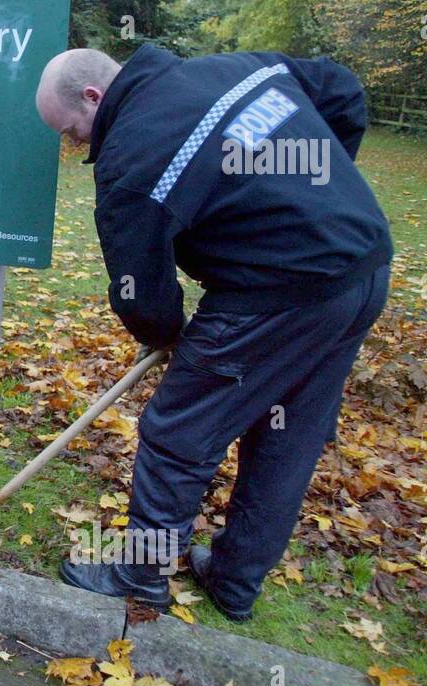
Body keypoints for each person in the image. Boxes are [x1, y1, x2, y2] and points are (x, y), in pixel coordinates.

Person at [35, 45, 393, 621]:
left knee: (178, 432)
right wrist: (316, 196)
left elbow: (140, 294)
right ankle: (234, 580)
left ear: (94, 97)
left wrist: (169, 336)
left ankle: (141, 575)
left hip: (273, 297)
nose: (76, 146)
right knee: (286, 436)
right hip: (363, 271)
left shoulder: (130, 159)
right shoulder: (237, 68)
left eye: (73, 131)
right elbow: (343, 92)